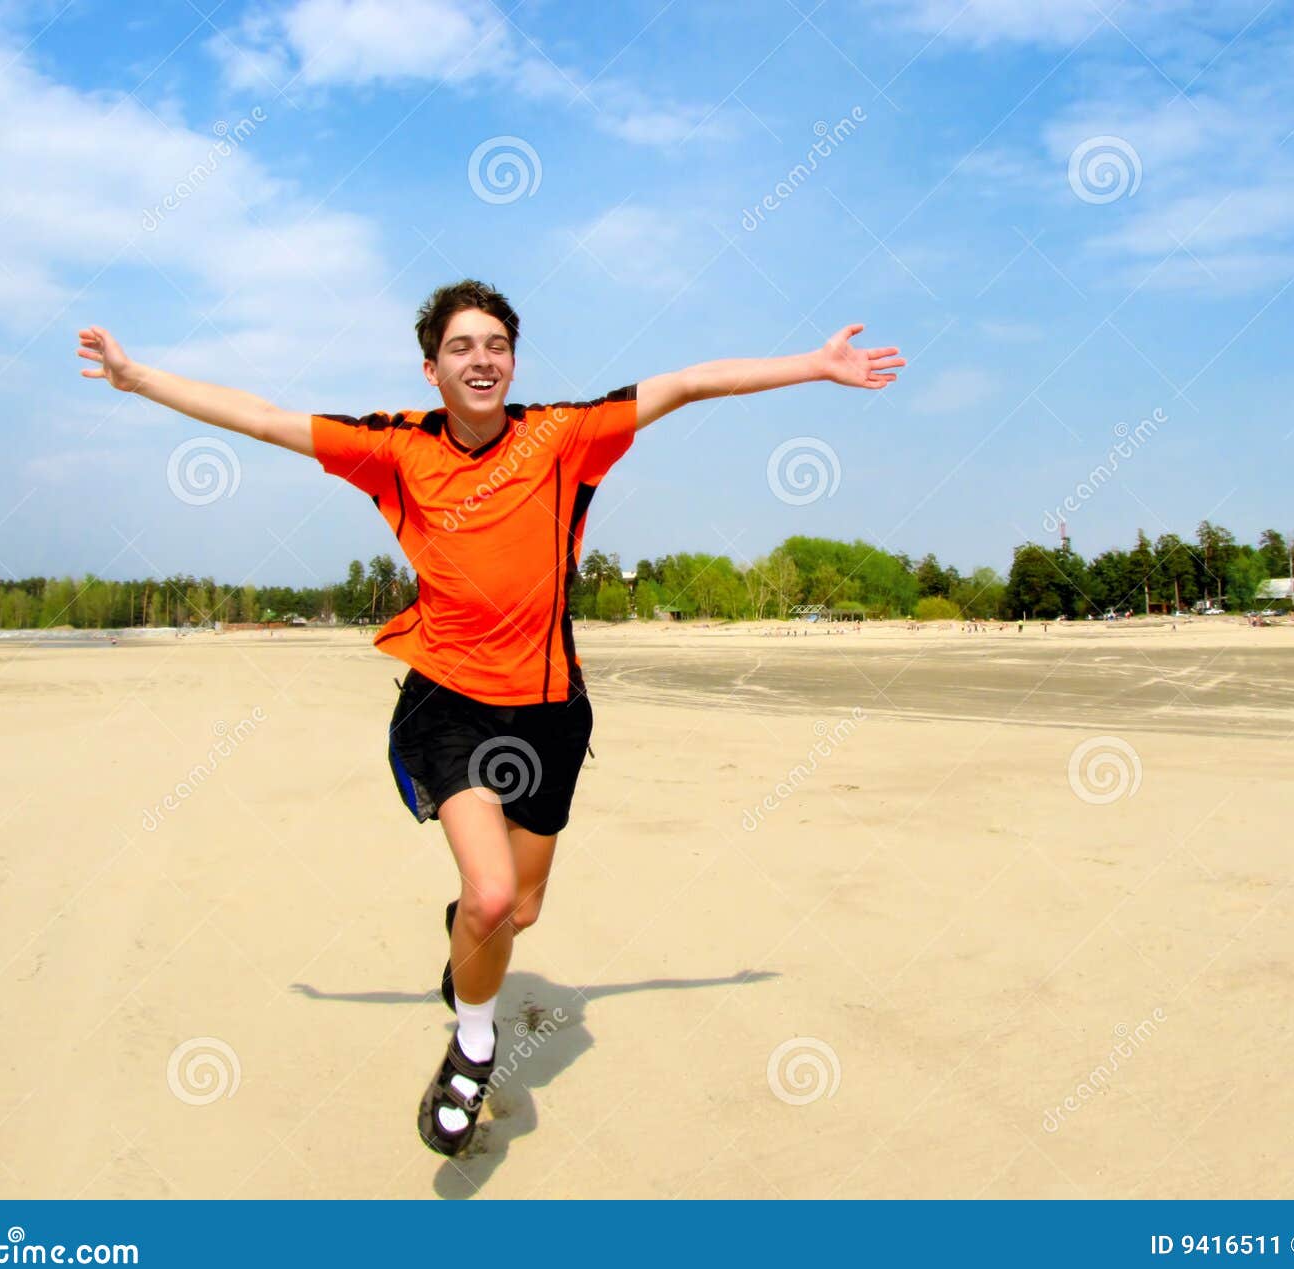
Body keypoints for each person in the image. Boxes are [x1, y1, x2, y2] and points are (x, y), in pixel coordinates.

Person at [76, 280, 903, 1157]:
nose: (482, 359)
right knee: (495, 894)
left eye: (497, 344)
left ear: (512, 360)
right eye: (463, 347)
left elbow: (690, 381)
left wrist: (813, 367)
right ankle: (473, 1051)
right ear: (431, 368)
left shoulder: (565, 436)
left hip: (551, 712)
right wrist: (138, 379)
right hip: (449, 703)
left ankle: (468, 944)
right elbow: (263, 416)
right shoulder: (392, 448)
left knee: (521, 911)